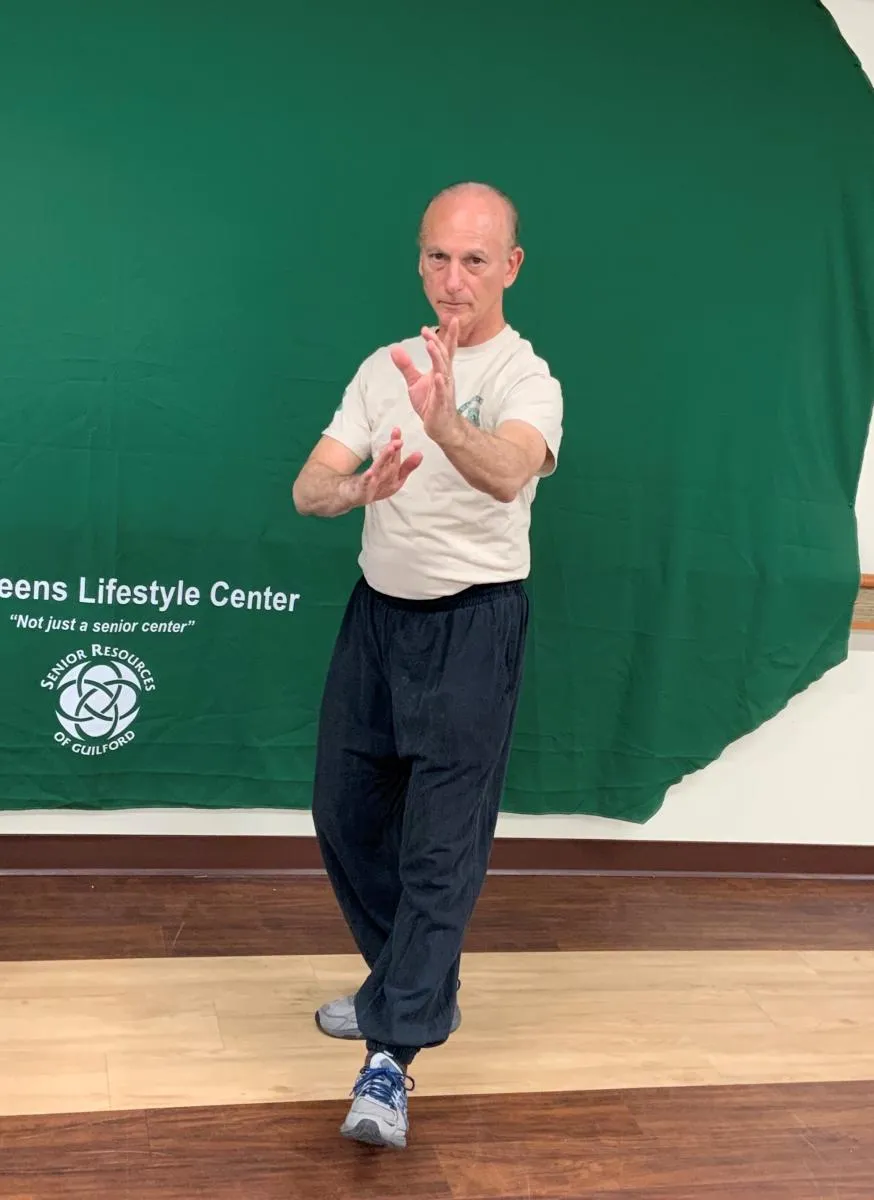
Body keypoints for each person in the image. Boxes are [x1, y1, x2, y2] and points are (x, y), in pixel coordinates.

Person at [291, 181, 563, 1149]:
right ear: (419, 261)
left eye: (475, 260)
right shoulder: (384, 367)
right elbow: (309, 486)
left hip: (474, 627)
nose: (454, 279)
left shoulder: (529, 378)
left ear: (510, 267)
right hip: (378, 619)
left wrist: (445, 421)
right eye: (438, 257)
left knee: (440, 847)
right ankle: (405, 985)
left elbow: (508, 471)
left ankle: (390, 1054)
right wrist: (357, 488)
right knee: (345, 814)